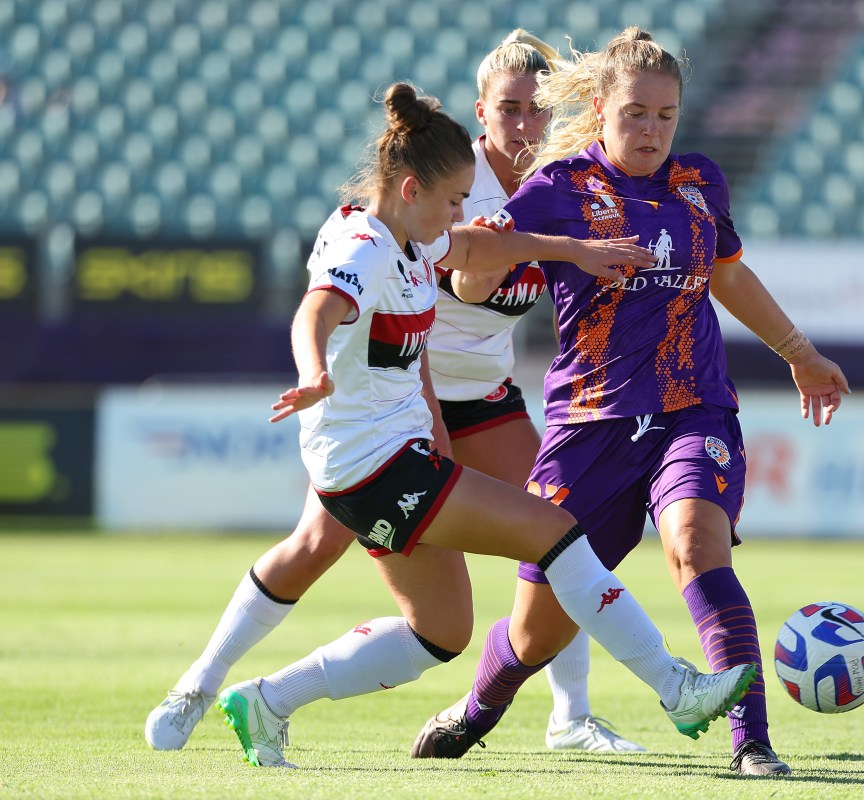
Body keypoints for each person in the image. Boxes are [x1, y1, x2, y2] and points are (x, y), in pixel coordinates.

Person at [206, 81, 756, 769]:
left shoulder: (411, 243)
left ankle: (265, 701)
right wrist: (312, 371)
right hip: (380, 464)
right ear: (412, 190)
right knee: (556, 530)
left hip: (396, 450)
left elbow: (473, 252)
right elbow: (314, 311)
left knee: (440, 633)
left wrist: (574, 251)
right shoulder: (366, 243)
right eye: (454, 201)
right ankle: (670, 689)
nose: (464, 213)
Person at [144, 31, 642, 756]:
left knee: (559, 530)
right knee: (314, 546)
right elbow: (429, 290)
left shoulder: (553, 186)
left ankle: (571, 714)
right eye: (511, 110)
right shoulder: (446, 186)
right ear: (483, 112)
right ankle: (199, 681)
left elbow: (496, 256)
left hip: (481, 396)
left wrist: (575, 245)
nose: (527, 125)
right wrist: (395, 402)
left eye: (539, 111)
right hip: (401, 406)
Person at [409, 28, 850, 778]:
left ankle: (752, 742)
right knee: (536, 630)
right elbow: (468, 273)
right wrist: (487, 260)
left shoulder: (700, 182)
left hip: (693, 407)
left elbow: (729, 276)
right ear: (602, 111)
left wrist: (801, 354)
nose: (651, 131)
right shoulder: (559, 186)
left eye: (666, 116)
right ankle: (480, 707)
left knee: (694, 546)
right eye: (636, 114)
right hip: (591, 425)